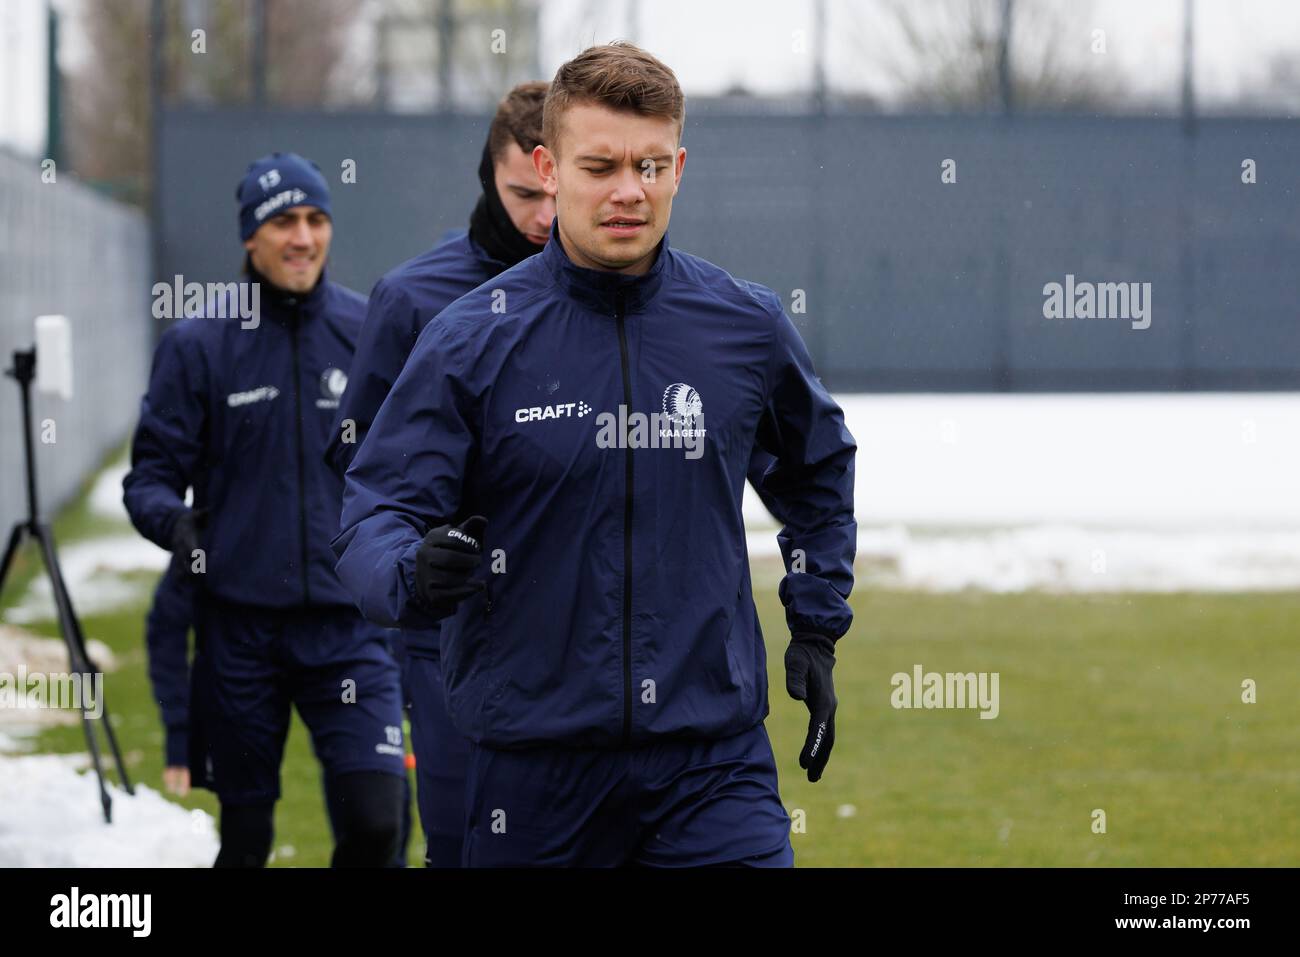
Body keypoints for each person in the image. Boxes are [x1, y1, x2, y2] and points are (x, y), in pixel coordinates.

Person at [335, 44, 856, 867]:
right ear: (548, 168)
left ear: (679, 165)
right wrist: (409, 568)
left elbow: (818, 470)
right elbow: (376, 507)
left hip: (711, 763)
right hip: (533, 772)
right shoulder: (471, 339)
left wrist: (817, 626)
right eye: (601, 164)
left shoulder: (744, 327)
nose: (629, 190)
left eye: (651, 165)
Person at [124, 152, 406, 867]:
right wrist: (178, 526)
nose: (304, 237)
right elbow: (148, 479)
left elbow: (407, 462)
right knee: (245, 838)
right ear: (251, 237)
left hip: (350, 628)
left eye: (316, 219)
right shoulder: (198, 344)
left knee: (379, 823)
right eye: (284, 221)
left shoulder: (367, 331)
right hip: (238, 633)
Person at [325, 81, 555, 866]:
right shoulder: (411, 297)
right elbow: (358, 470)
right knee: (459, 843)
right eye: (525, 194)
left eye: (557, 193)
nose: (545, 217)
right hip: (447, 632)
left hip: (572, 629)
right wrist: (412, 565)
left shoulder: (608, 292)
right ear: (487, 174)